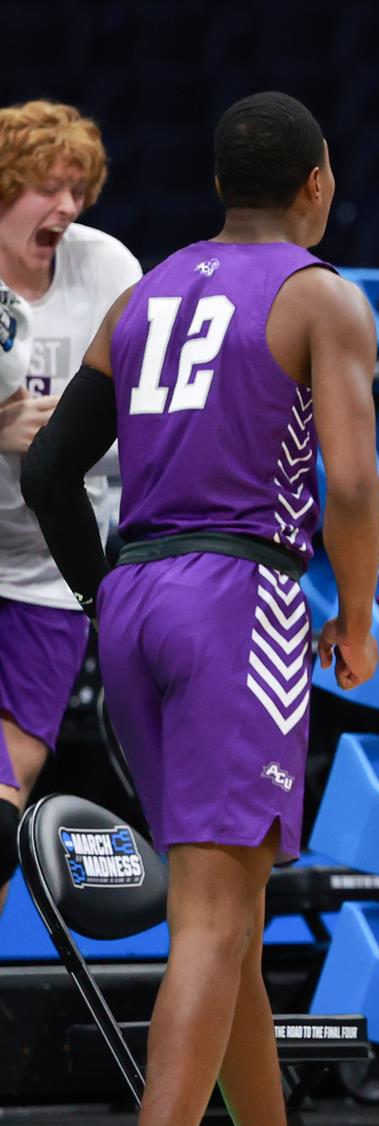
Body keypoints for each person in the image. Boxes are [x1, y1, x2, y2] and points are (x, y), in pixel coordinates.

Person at [22, 91, 378, 1126]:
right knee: (220, 925)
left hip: (134, 602)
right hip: (244, 600)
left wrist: (104, 589)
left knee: (221, 923)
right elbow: (350, 478)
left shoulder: (144, 291)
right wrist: (361, 611)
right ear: (317, 183)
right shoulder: (318, 293)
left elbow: (49, 466)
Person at [0, 101, 140, 887]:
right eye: (47, 187)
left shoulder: (109, 266)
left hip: (51, 570)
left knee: (6, 805)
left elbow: (152, 405)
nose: (67, 206)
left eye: (78, 188)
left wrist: (71, 439)